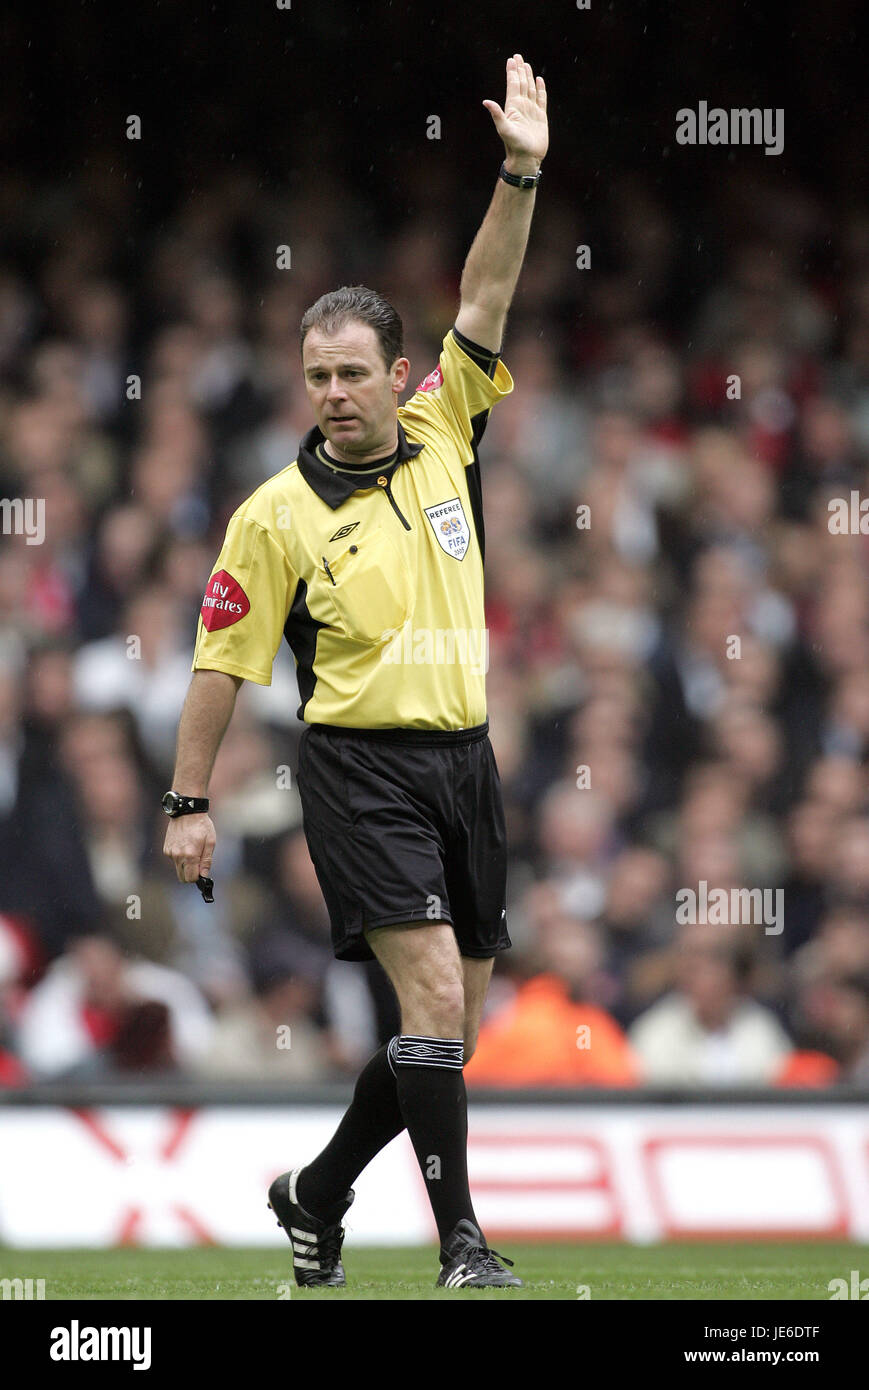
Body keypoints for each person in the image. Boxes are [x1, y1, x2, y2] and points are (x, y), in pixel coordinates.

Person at [163, 54, 548, 1289]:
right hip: (358, 767)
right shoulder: (271, 515)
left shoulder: (446, 424)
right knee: (430, 997)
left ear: (397, 376)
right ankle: (463, 1245)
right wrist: (187, 801)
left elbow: (484, 291)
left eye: (350, 371)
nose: (331, 392)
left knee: (451, 1026)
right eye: (313, 373)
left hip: (465, 762)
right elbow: (220, 663)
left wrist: (520, 171)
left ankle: (315, 1193)